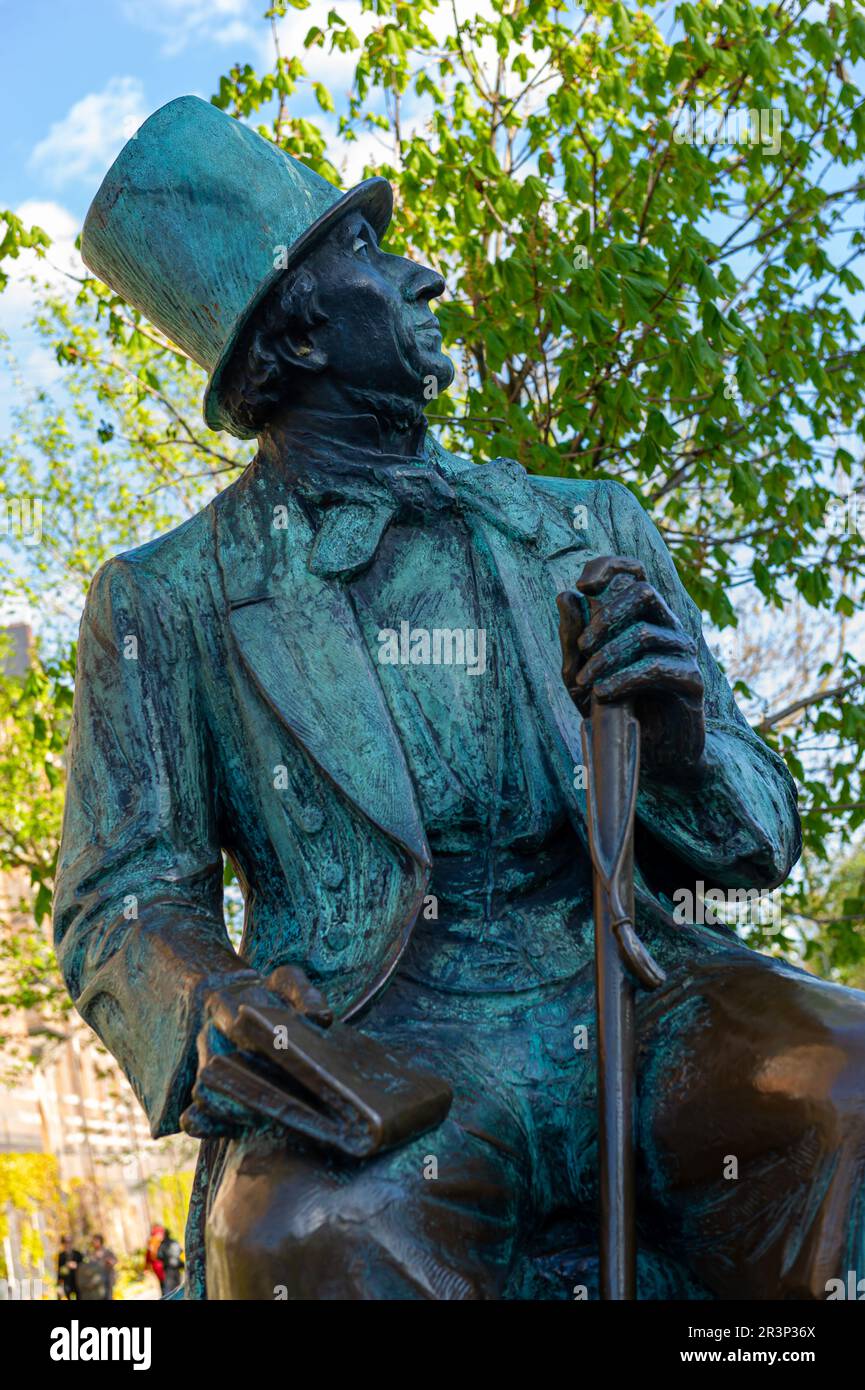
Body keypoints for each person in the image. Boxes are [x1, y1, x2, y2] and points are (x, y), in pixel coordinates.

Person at [54, 95, 865, 1301]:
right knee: (297, 1237)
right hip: (387, 1048)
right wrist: (215, 1003)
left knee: (842, 1075)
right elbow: (121, 898)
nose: (423, 275)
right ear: (304, 331)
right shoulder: (164, 601)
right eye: (370, 254)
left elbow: (761, 840)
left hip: (635, 1008)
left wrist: (682, 745)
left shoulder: (592, 524)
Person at [76, 1234, 117, 1301]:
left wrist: (108, 1261)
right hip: (97, 1281)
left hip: (108, 1278)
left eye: (96, 1241)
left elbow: (114, 1261)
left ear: (100, 1241)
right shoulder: (92, 1253)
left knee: (109, 1296)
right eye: (93, 1241)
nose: (94, 1243)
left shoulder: (107, 1251)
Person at [157, 1229, 184, 1297]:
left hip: (169, 1268)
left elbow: (159, 1256)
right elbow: (180, 1251)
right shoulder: (174, 1242)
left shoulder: (163, 1244)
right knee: (177, 1285)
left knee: (170, 1287)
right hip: (176, 1266)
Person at [56, 1235, 82, 1300]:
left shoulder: (78, 1254)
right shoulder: (61, 1255)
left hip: (78, 1282)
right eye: (65, 1242)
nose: (68, 1244)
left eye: (69, 1242)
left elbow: (84, 1267)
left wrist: (76, 1266)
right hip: (67, 1283)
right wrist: (59, 1285)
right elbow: (60, 1271)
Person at [144, 1224, 165, 1292]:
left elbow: (147, 1256)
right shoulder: (158, 1241)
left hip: (157, 1265)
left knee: (164, 1284)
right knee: (167, 1284)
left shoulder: (151, 1242)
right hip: (161, 1265)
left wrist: (146, 1267)